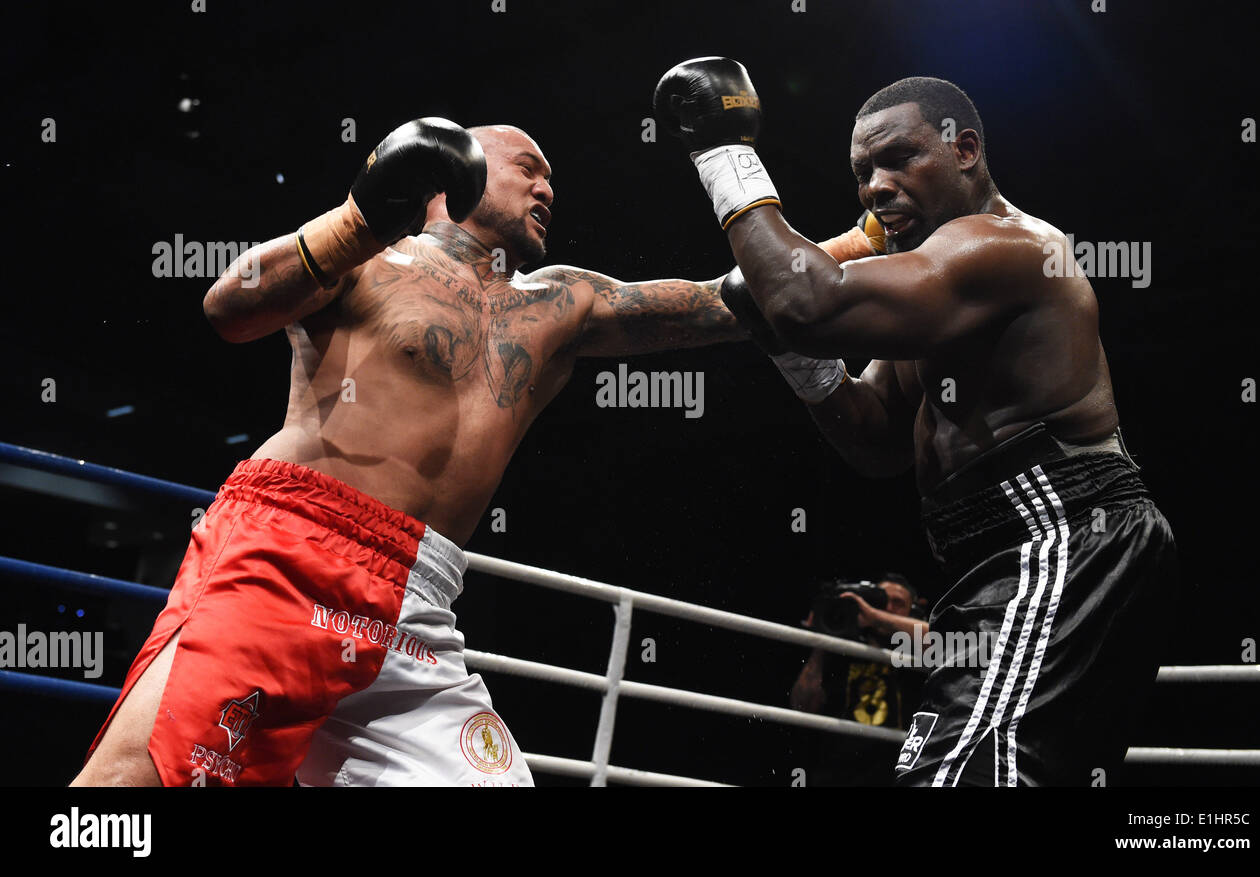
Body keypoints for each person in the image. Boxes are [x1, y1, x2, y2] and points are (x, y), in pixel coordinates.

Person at [73, 119, 764, 787]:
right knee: (149, 776)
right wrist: (357, 218)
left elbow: (726, 302)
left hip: (418, 599)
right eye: (527, 169)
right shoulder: (369, 256)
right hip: (291, 553)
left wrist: (865, 240)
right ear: (449, 173)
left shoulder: (560, 303)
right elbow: (229, 305)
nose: (546, 190)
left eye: (551, 180)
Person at [655, 60, 1179, 786]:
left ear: (965, 150)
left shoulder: (1008, 247)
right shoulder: (933, 288)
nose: (876, 187)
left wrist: (724, 150)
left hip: (1061, 533)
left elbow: (813, 301)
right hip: (996, 555)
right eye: (863, 172)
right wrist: (786, 349)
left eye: (900, 158)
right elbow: (873, 438)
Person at [790, 574, 926, 786]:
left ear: (913, 612)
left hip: (894, 772)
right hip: (836, 770)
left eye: (898, 603)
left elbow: (942, 638)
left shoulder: (917, 653)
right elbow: (803, 706)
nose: (888, 608)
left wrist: (875, 616)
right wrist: (822, 641)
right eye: (880, 601)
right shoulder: (842, 648)